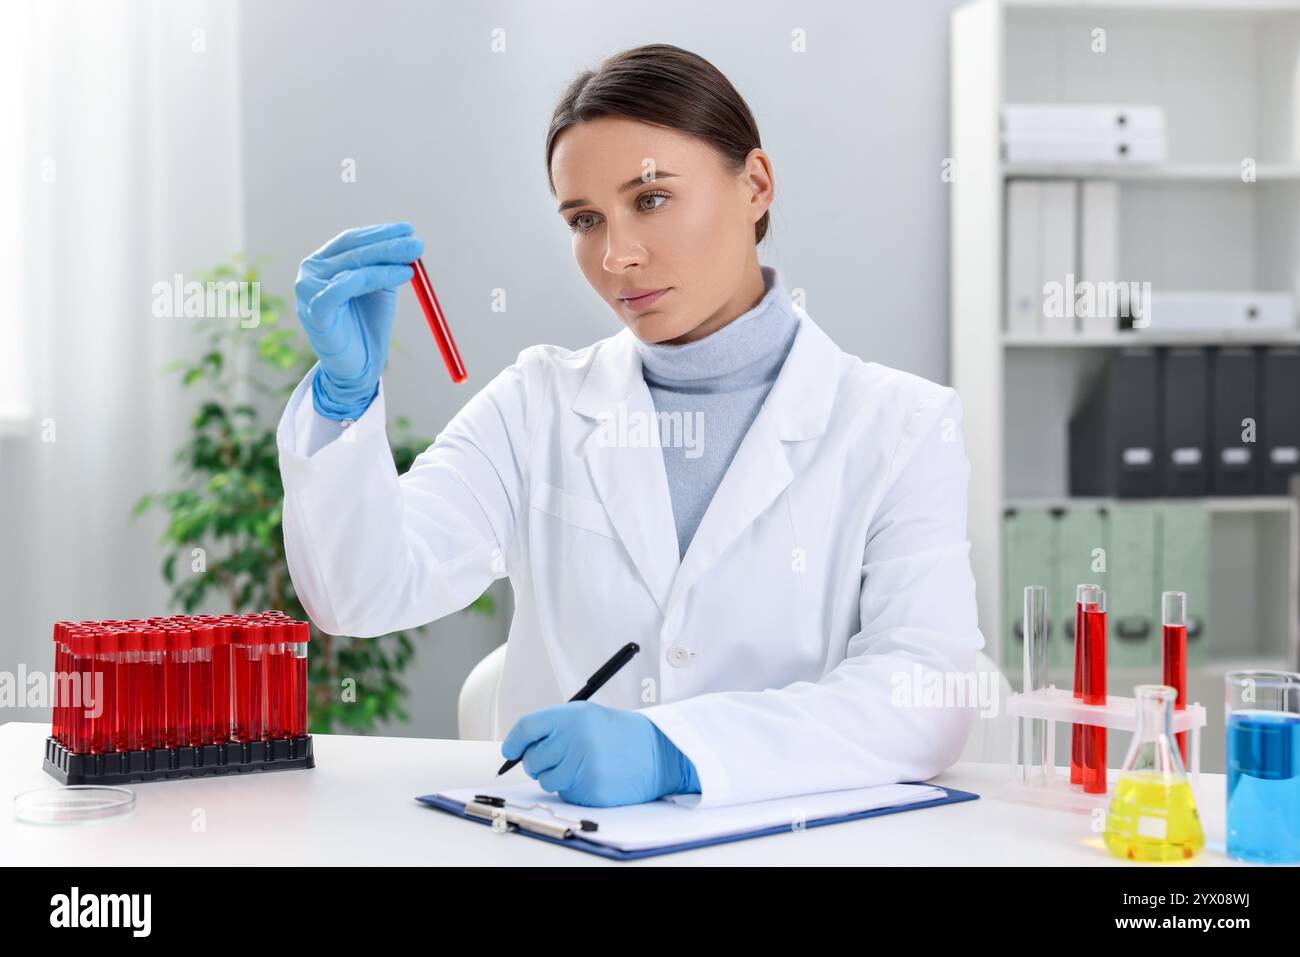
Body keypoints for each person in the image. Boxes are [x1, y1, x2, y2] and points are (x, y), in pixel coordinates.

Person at [278, 43, 985, 809]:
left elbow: (926, 691)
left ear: (754, 185)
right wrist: (341, 402)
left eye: (649, 199)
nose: (617, 256)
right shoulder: (538, 404)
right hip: (564, 843)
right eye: (585, 219)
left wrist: (677, 751)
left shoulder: (901, 425)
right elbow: (362, 592)